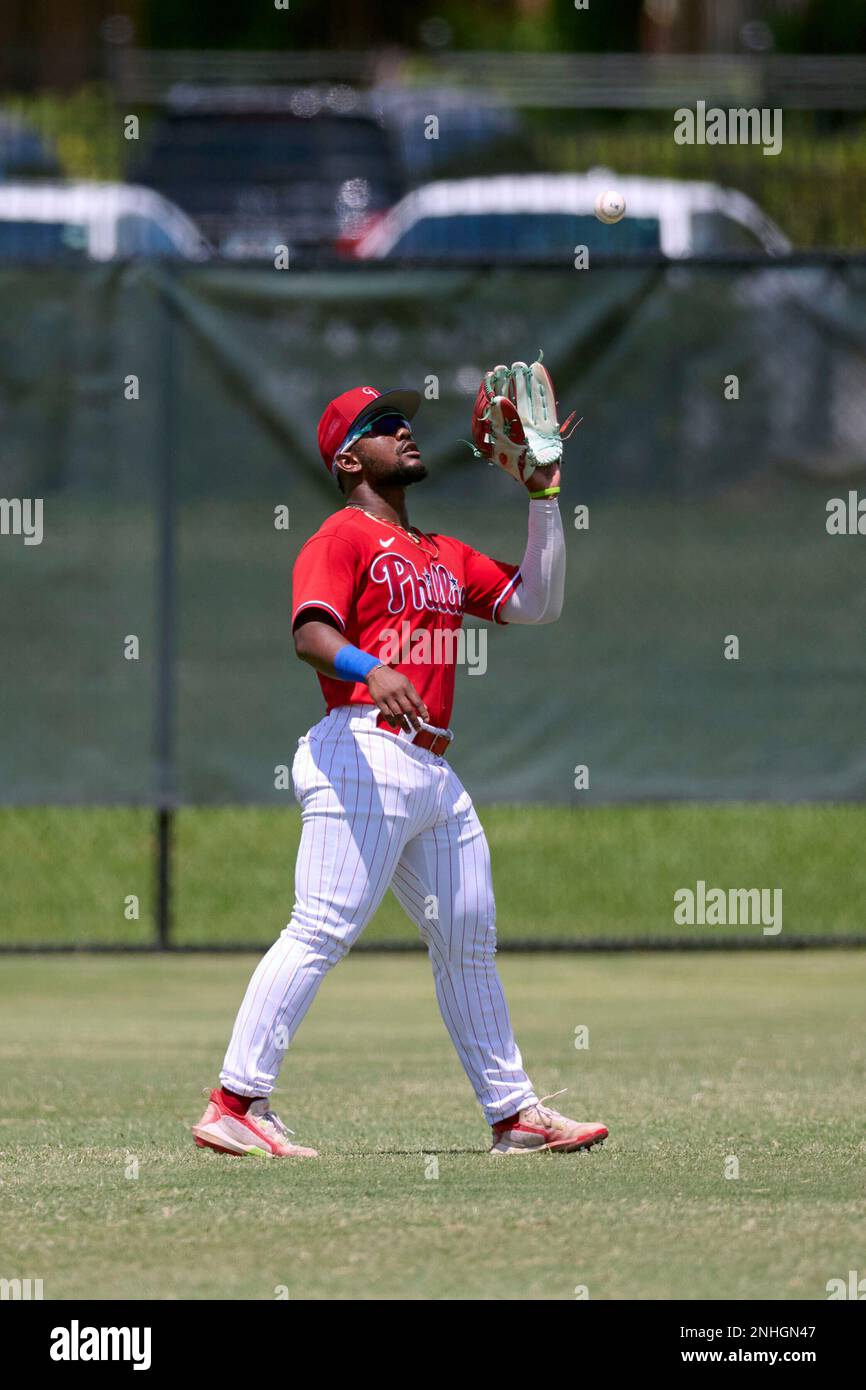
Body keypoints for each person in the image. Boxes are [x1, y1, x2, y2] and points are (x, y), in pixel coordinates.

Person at [192, 379, 608, 1159]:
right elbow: (311, 632)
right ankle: (234, 1102)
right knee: (320, 927)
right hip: (360, 745)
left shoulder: (441, 552)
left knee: (466, 938)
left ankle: (513, 1115)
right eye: (386, 425)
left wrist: (544, 494)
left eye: (407, 421)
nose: (405, 432)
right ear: (350, 456)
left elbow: (537, 601)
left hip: (428, 769)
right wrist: (368, 666)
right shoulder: (341, 537)